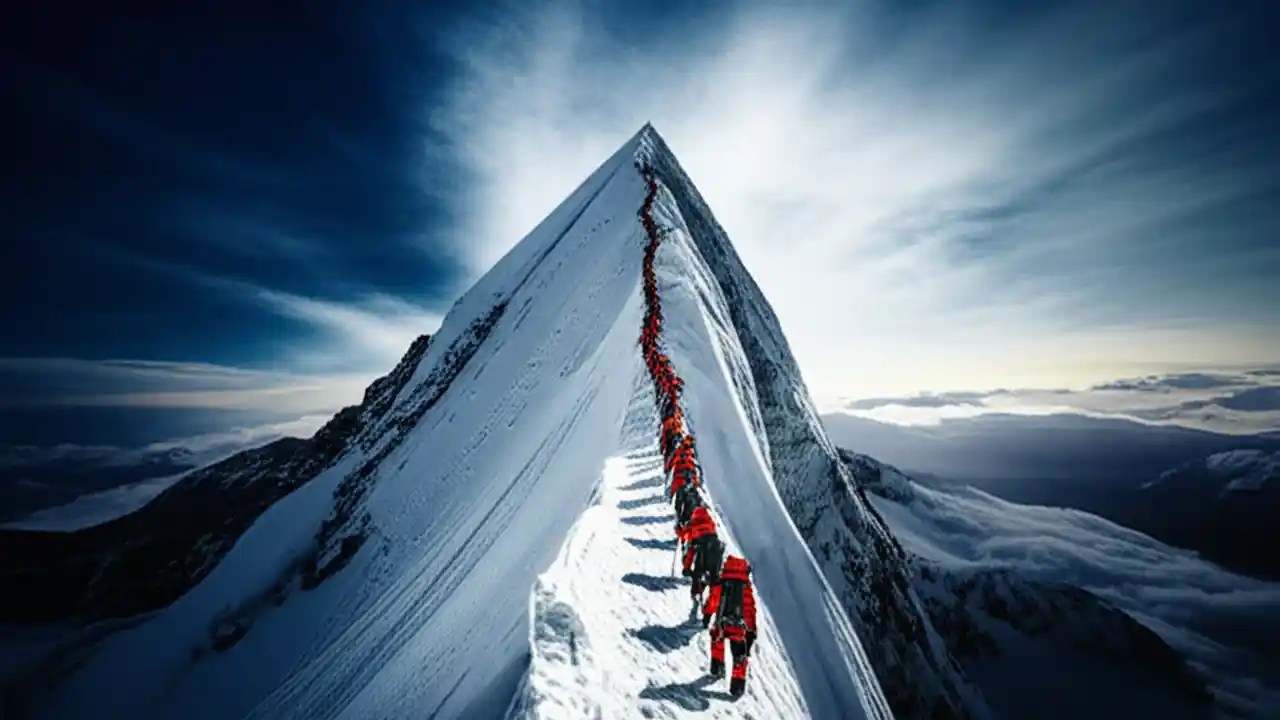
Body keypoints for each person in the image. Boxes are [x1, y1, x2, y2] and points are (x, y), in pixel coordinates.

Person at [701, 555, 757, 698]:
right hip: (739, 628)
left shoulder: (722, 583)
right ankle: (737, 686)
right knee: (739, 656)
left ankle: (717, 667)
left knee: (717, 641)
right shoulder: (746, 587)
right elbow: (750, 610)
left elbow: (713, 600)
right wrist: (751, 631)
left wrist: (707, 614)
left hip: (721, 624)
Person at [679, 506, 716, 577]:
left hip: (697, 542)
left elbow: (684, 534)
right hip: (709, 544)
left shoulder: (692, 524)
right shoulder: (710, 523)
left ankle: (687, 568)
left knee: (690, 550)